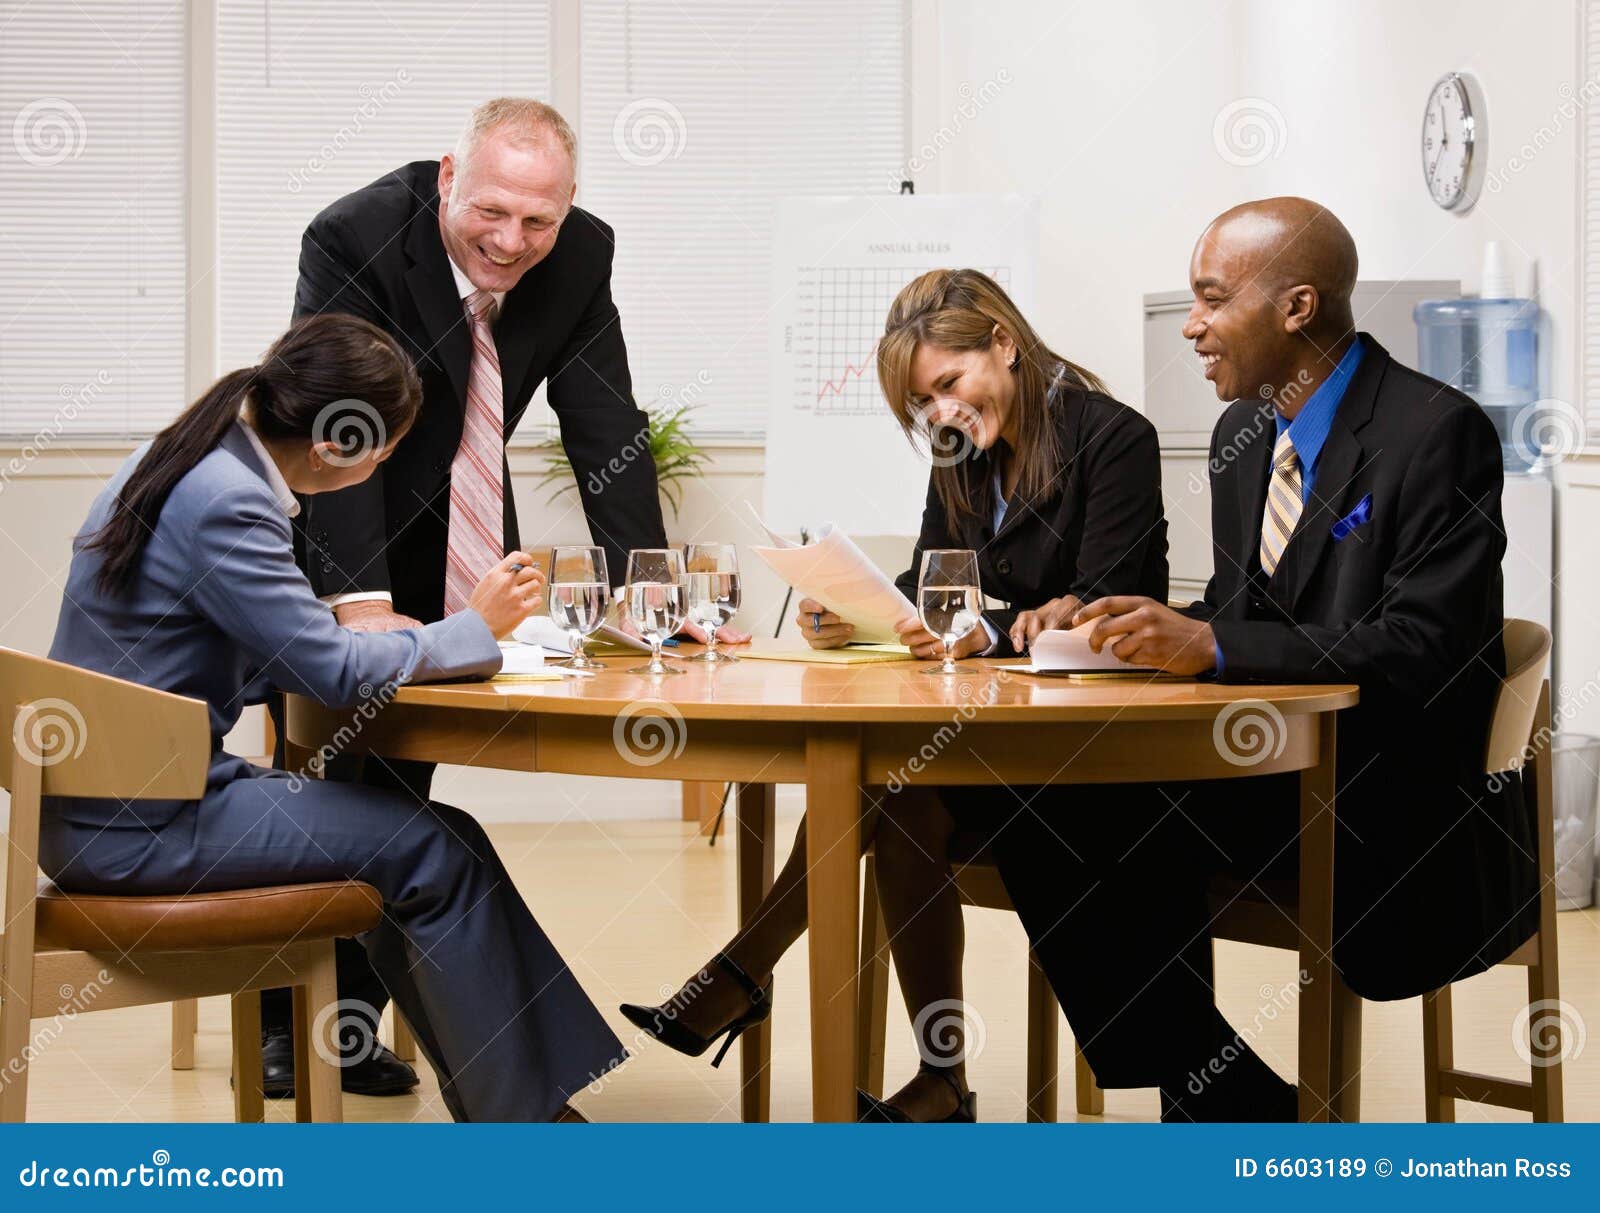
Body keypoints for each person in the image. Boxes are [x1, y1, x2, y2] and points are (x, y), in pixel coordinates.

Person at [979, 198, 1539, 1121]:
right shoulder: (1246, 443)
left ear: (1298, 307)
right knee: (1032, 788)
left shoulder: (1437, 432)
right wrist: (1138, 629)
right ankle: (1225, 1090)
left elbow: (1426, 648)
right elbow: (1251, 614)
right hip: (1271, 771)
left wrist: (1213, 643)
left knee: (1079, 813)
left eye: (1210, 299)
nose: (1191, 325)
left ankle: (1209, 1093)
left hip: (1385, 805)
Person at [267, 97, 742, 1096]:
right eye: (491, 212)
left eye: (538, 221)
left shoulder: (578, 258)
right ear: (449, 176)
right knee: (324, 767)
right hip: (345, 510)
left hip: (466, 523)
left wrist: (646, 587)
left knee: (402, 779)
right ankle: (292, 1019)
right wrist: (358, 599)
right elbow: (335, 418)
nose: (510, 242)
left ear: (567, 210)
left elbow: (603, 421)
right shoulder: (355, 233)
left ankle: (354, 1018)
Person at [41, 313, 626, 1122]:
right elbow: (333, 673)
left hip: (105, 806)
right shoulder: (230, 500)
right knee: (433, 844)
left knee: (427, 840)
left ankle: (526, 1106)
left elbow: (231, 638)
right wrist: (472, 629)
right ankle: (528, 1124)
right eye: (387, 451)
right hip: (144, 826)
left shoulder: (188, 457)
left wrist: (333, 629)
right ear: (332, 449)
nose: (388, 467)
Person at [620, 268, 1169, 1121]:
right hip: (979, 744)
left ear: (1003, 341)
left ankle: (742, 976)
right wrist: (858, 613)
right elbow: (931, 581)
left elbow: (1108, 605)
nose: (943, 414)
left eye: (949, 385)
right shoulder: (961, 455)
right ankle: (935, 1075)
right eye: (926, 404)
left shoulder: (1113, 438)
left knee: (888, 788)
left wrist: (995, 621)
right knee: (895, 789)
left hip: (1082, 757)